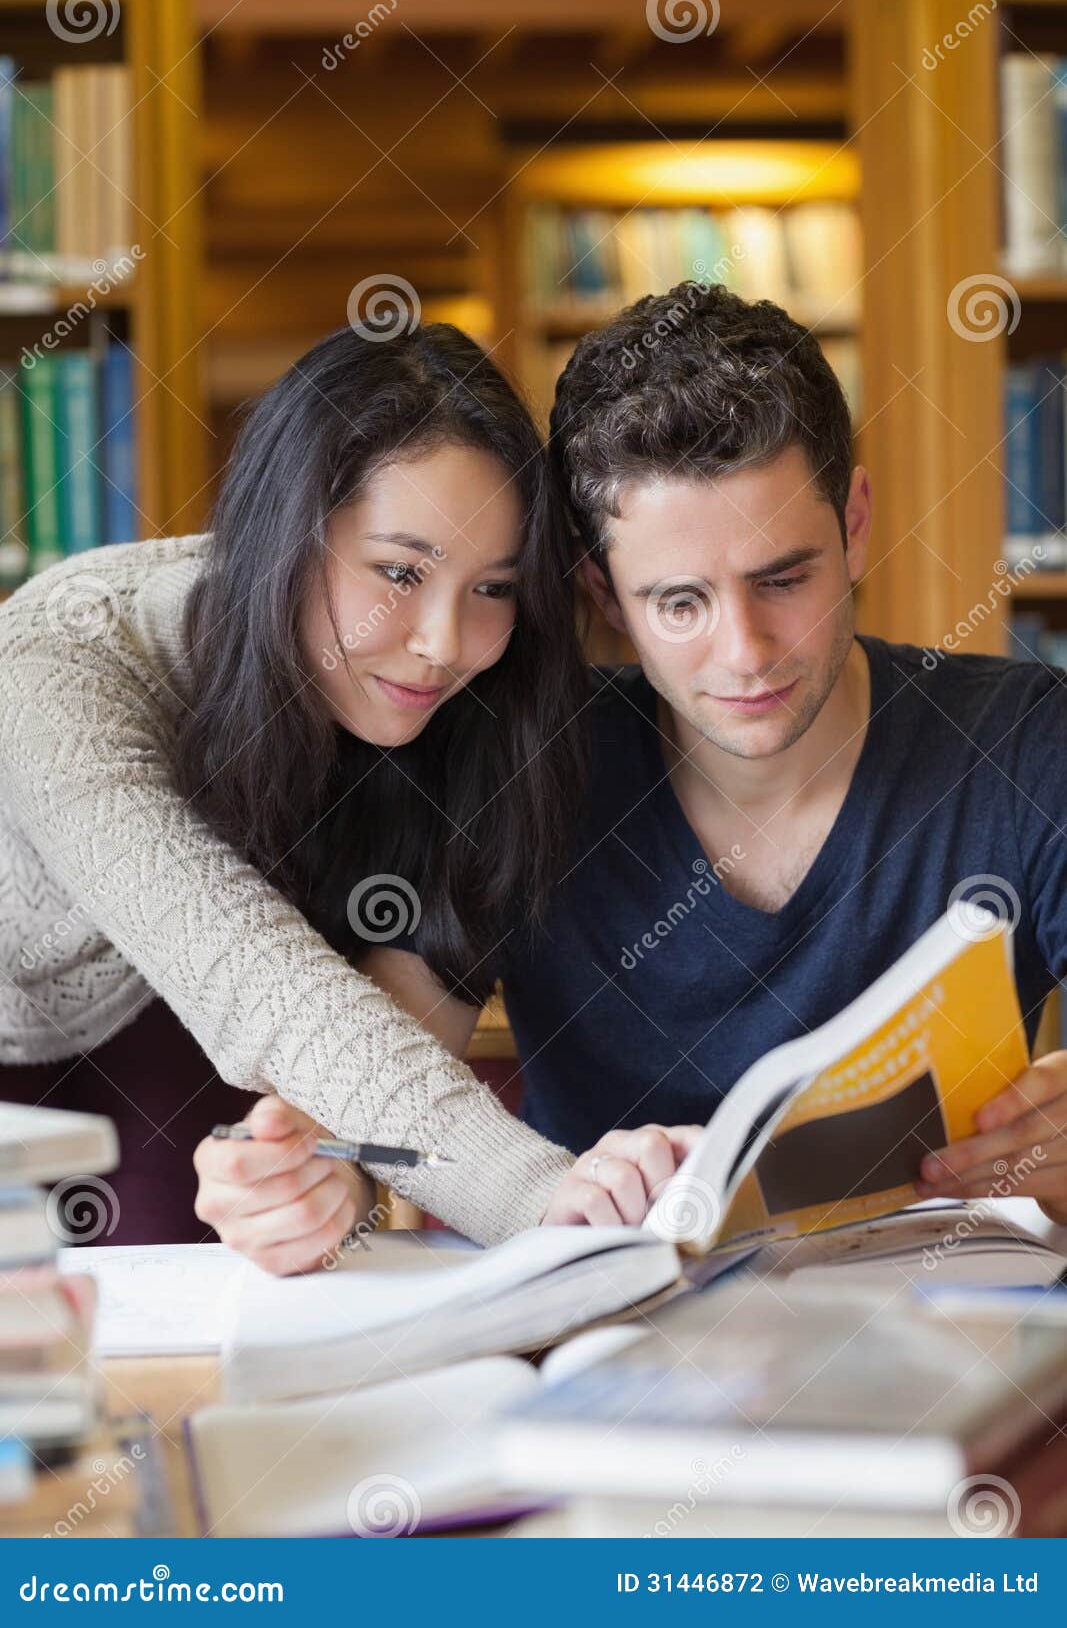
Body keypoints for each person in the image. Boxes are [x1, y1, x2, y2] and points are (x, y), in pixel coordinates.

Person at [211, 281, 1067, 1269]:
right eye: (677, 602)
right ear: (599, 592)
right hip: (606, 1349)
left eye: (782, 578)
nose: (744, 651)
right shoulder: (530, 763)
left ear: (857, 523)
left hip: (945, 1343)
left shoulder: (1024, 741)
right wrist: (301, 1177)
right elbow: (362, 1095)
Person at [0, 321, 699, 1259]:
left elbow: (378, 1036)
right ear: (286, 531)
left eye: (492, 589)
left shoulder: (484, 706)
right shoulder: (63, 663)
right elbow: (250, 982)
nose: (445, 643)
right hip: (94, 1037)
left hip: (239, 1040)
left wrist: (337, 1165)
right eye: (399, 573)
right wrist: (547, 1204)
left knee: (227, 1330)